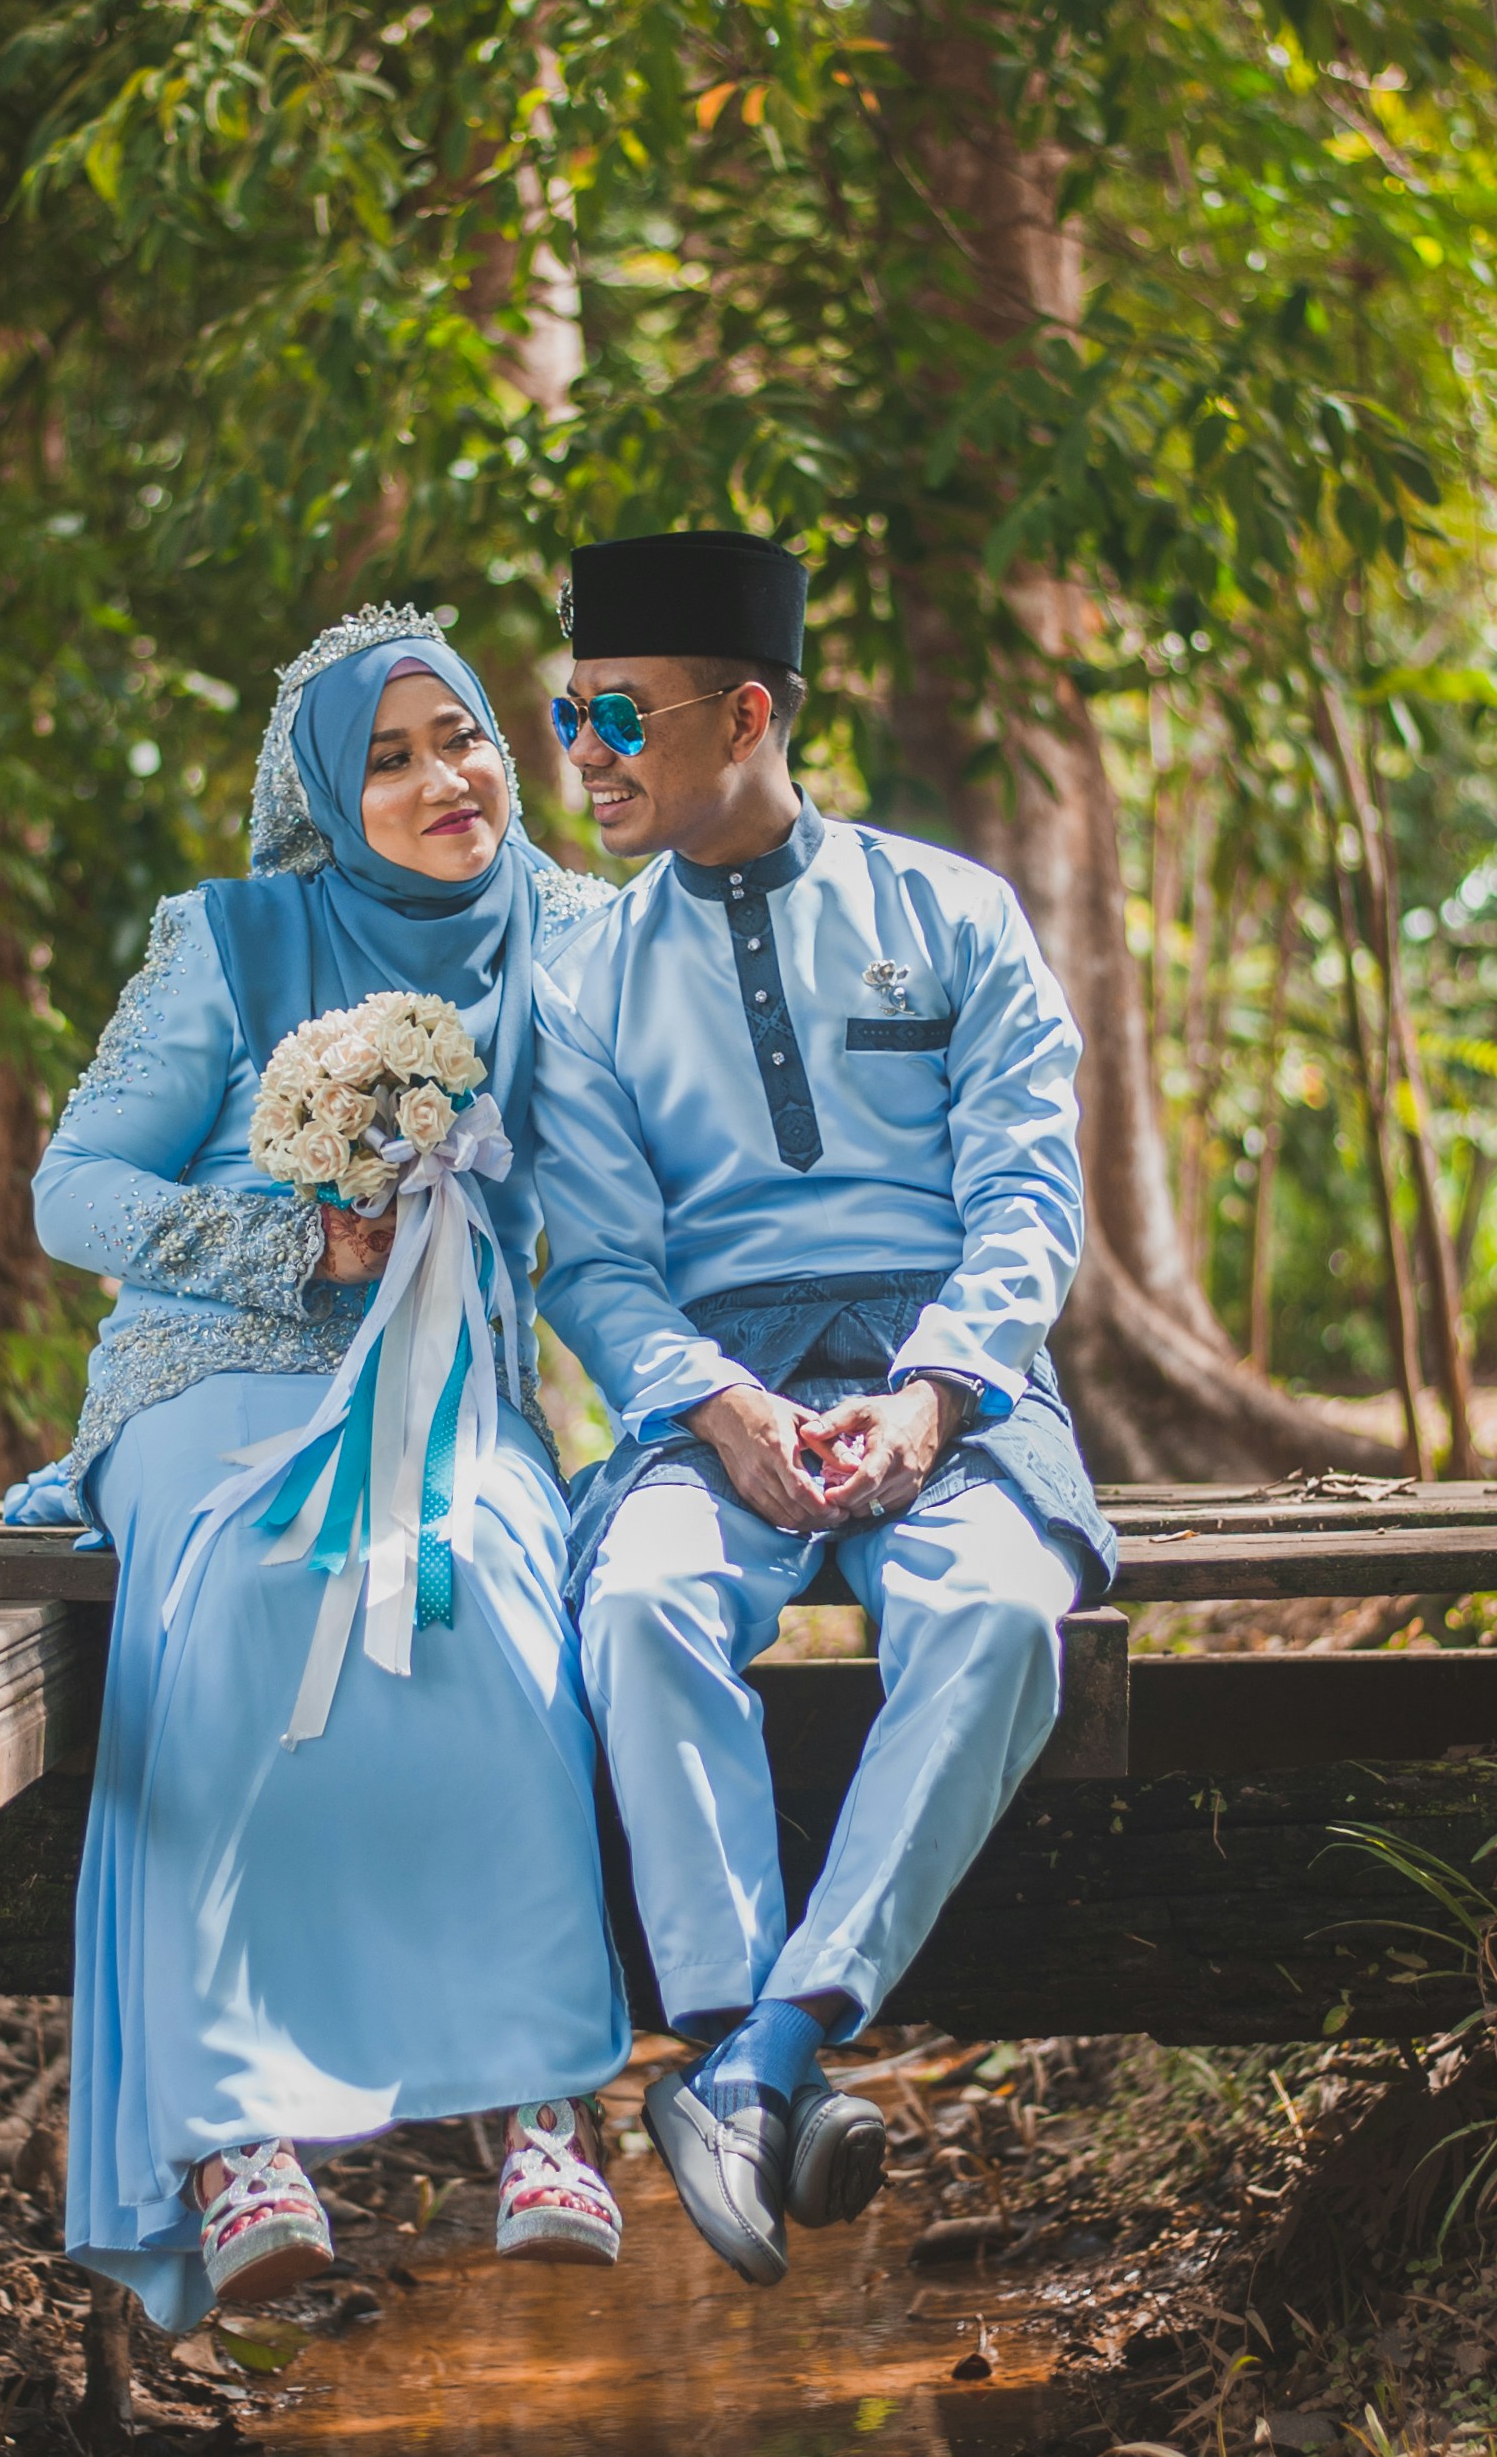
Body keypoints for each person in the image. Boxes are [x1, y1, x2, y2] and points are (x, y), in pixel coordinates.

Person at [7, 606, 631, 2334]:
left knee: (491, 1582)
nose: (444, 778)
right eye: (390, 754)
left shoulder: (580, 939)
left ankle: (533, 2102)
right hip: (215, 1360)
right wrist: (290, 1247)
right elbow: (73, 1190)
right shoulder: (226, 940)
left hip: (448, 1374)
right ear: (321, 792)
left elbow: (652, 1184)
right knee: (247, 1581)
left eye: (464, 739)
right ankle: (234, 2137)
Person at [531, 530, 1118, 2285]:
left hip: (953, 1377)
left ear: (749, 713)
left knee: (1008, 1616)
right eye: (568, 717)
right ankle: (748, 2040)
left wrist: (938, 1391)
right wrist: (719, 1408)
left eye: (620, 714)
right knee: (632, 1604)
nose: (585, 755)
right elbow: (598, 1265)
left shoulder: (953, 914)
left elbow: (1026, 1196)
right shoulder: (576, 982)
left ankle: (756, 2061)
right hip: (708, 1402)